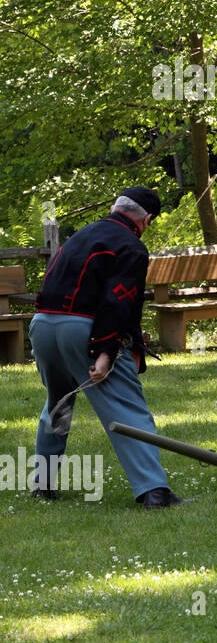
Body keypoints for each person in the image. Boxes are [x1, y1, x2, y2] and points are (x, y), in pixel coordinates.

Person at [30, 186, 187, 508]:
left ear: (117, 208)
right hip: (82, 329)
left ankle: (42, 485)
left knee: (58, 404)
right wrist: (105, 352)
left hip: (43, 325)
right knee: (126, 407)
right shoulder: (131, 246)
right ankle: (154, 491)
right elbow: (119, 302)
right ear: (146, 220)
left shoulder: (80, 235)